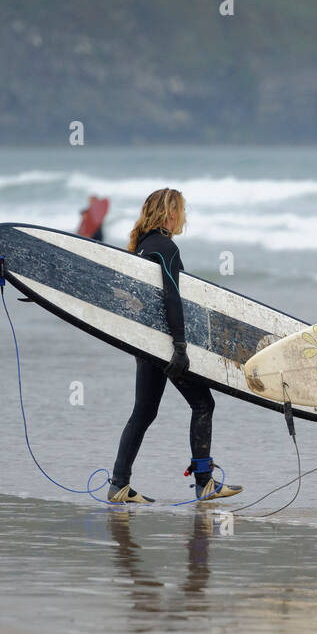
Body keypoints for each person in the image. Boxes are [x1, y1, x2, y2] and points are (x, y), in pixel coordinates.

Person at [107, 188, 242, 504]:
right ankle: (204, 481)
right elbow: (171, 296)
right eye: (181, 210)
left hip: (146, 344)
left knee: (143, 412)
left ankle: (119, 485)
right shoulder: (165, 248)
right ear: (169, 213)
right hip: (165, 344)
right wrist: (179, 346)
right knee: (203, 404)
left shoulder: (141, 247)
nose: (184, 216)